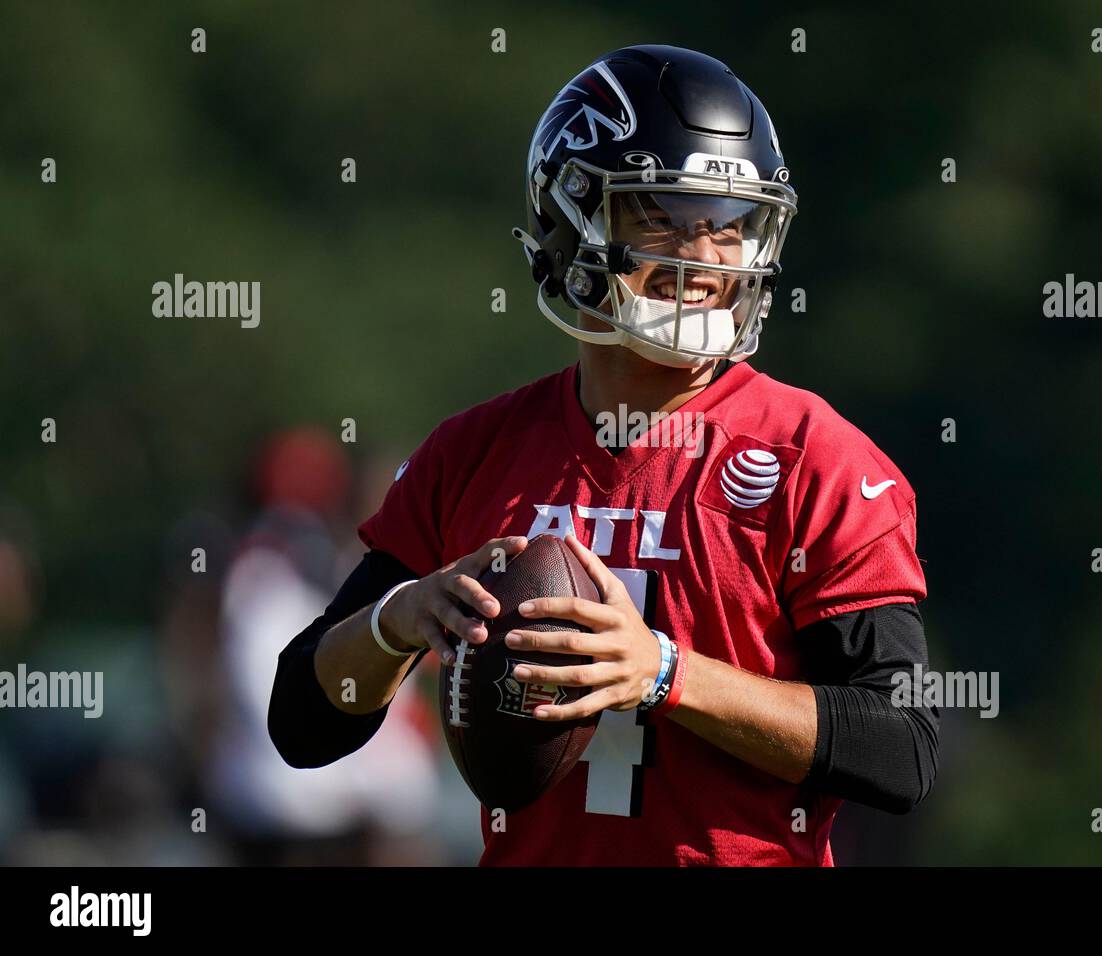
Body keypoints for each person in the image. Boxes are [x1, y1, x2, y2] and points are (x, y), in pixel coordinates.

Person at [269, 44, 939, 866]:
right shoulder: (474, 452)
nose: (703, 255)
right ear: (571, 220)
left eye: (729, 223)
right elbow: (300, 725)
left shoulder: (816, 459)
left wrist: (666, 674)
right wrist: (395, 619)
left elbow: (901, 746)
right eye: (663, 215)